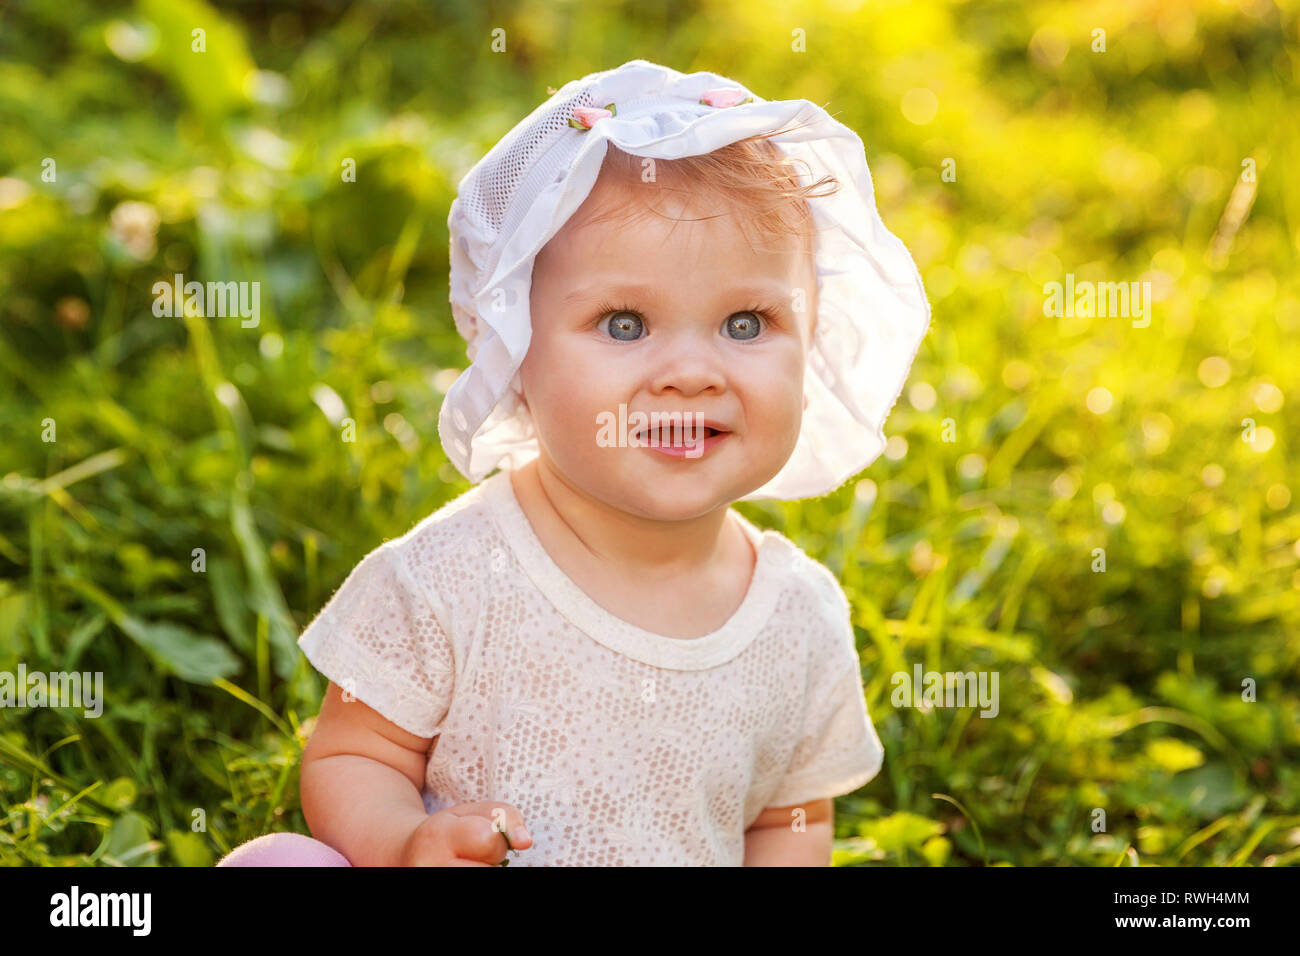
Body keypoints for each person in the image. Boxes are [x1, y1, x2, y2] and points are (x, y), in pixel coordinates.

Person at [218, 58, 929, 867]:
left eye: (745, 322)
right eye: (625, 325)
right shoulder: (448, 577)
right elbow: (356, 755)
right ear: (514, 355)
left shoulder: (798, 618)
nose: (692, 372)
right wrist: (407, 841)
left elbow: (786, 820)